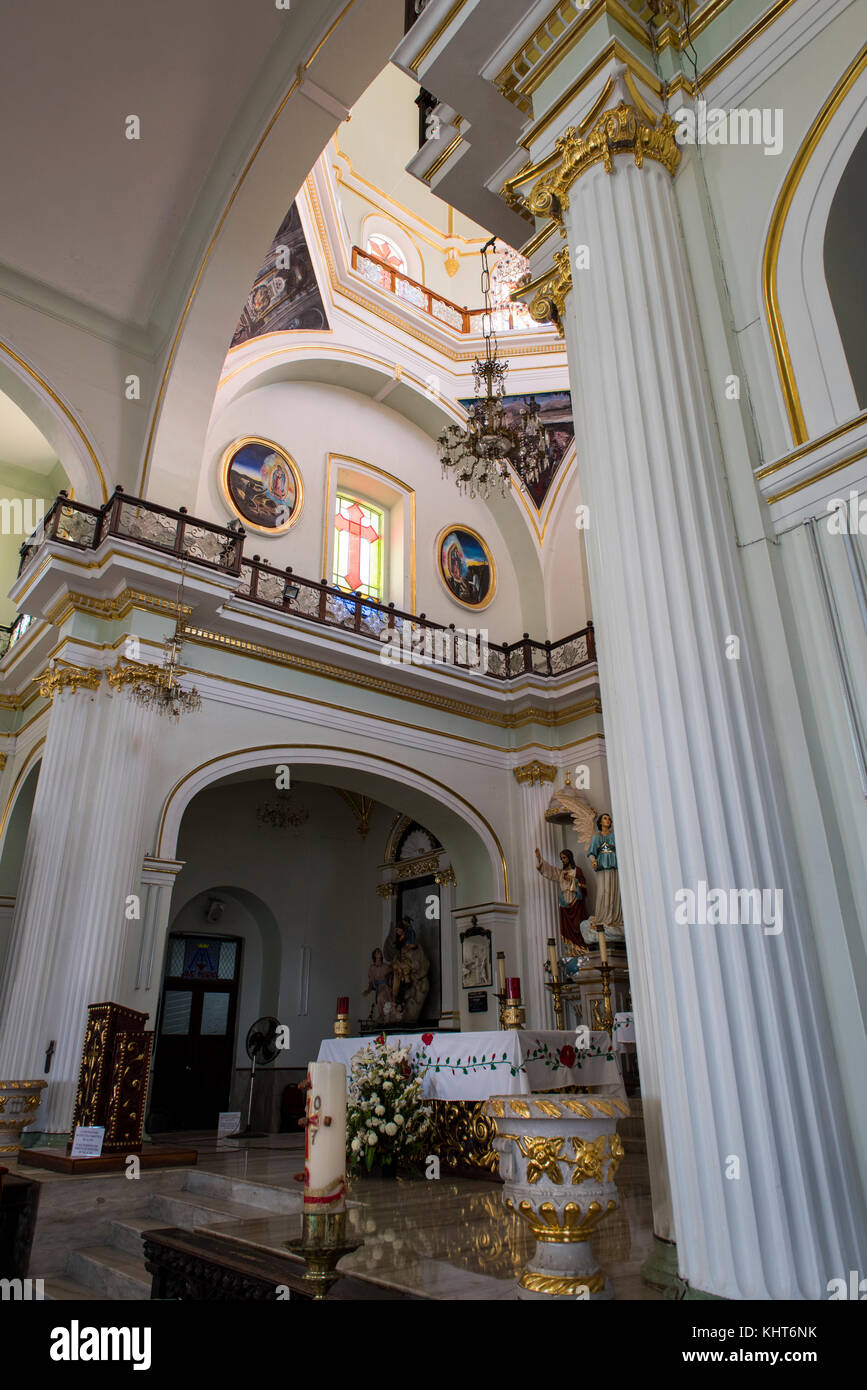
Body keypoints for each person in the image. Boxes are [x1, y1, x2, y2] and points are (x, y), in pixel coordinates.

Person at [535, 847, 589, 951]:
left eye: (564, 858)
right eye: (561, 858)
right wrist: (539, 859)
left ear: (569, 858)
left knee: (578, 925)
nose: (563, 860)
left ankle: (582, 948)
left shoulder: (576, 870)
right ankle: (572, 949)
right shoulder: (561, 873)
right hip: (564, 902)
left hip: (576, 902)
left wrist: (572, 880)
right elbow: (550, 871)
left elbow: (584, 885)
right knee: (567, 928)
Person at [582, 813, 624, 946]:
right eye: (605, 818)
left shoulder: (613, 836)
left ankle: (614, 919)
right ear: (600, 822)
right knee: (604, 892)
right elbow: (591, 852)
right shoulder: (597, 837)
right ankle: (604, 917)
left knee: (614, 892)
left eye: (609, 818)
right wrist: (594, 861)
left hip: (614, 865)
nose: (608, 820)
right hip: (602, 866)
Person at [363, 947, 394, 1022]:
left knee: (381, 998)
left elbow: (393, 974)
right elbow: (371, 981)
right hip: (379, 988)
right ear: (374, 956)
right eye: (377, 952)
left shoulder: (386, 967)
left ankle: (385, 1015)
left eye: (380, 952)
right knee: (379, 999)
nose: (379, 953)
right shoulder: (372, 968)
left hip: (386, 988)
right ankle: (383, 1016)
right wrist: (368, 990)